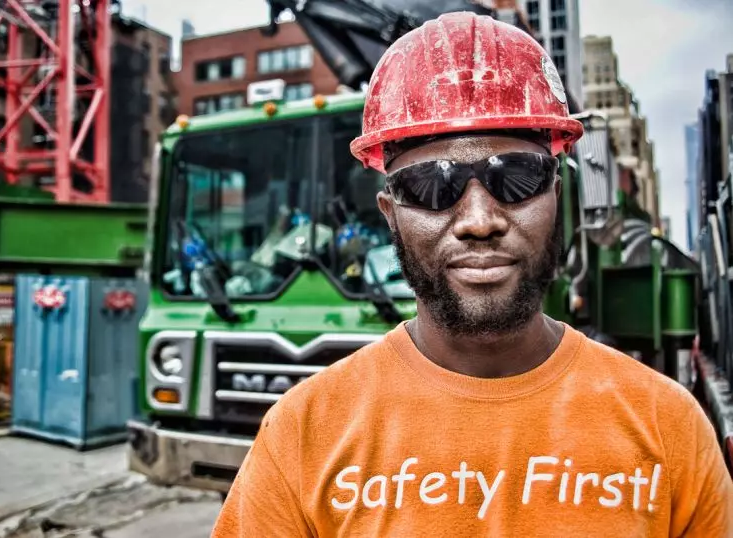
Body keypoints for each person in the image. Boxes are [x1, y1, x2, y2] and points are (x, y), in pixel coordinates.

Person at [212, 11, 733, 537]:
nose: (479, 221)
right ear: (391, 213)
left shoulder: (670, 429)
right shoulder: (300, 436)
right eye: (432, 188)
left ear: (556, 197)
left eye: (517, 178)